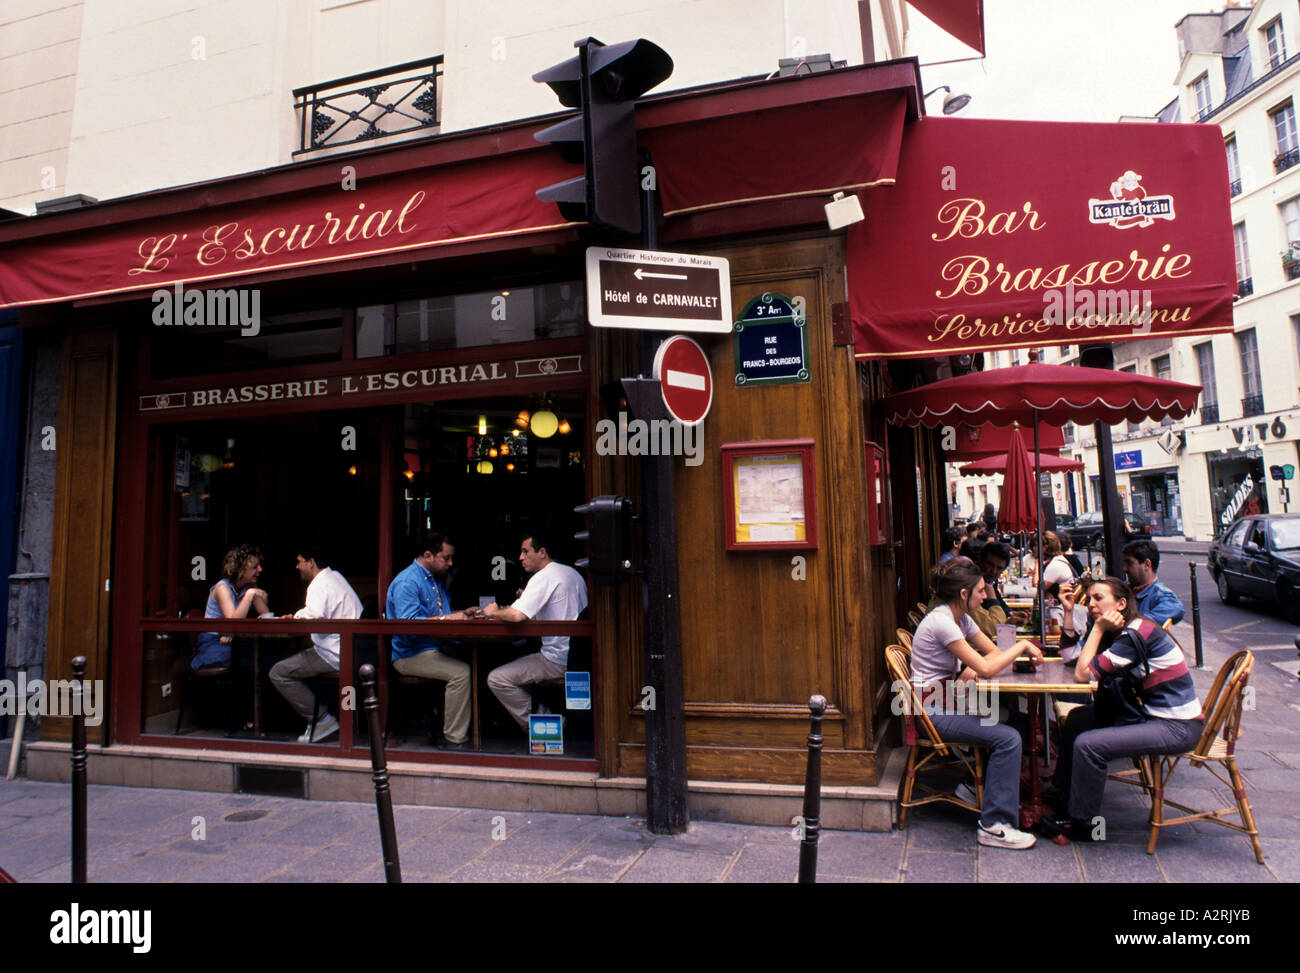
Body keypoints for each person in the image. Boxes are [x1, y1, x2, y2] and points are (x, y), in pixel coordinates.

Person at [1040, 577, 1203, 842]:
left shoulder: (1133, 633)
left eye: (1098, 598)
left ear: (1121, 603)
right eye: (1089, 598)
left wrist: (1097, 630)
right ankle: (1062, 791)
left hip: (1177, 727)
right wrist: (1069, 613)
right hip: (1152, 716)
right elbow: (1072, 659)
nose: (1091, 604)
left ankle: (1084, 824)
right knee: (1079, 719)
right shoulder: (1122, 629)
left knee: (1089, 744)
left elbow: (1082, 675)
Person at [910, 558, 1044, 850]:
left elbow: (992, 654)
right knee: (1008, 739)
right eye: (981, 591)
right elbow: (988, 666)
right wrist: (1019, 647)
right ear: (963, 594)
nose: (986, 596)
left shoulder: (961, 618)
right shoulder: (943, 623)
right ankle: (994, 825)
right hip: (933, 712)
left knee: (1017, 722)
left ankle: (975, 788)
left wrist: (978, 665)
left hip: (949, 700)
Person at [484, 534, 588, 732]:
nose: (520, 557)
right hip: (578, 657)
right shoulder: (572, 573)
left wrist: (494, 611)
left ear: (542, 552)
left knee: (497, 678)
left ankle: (547, 724)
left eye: (525, 551)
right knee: (523, 656)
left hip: (556, 660)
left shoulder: (543, 576)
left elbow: (516, 615)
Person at [386, 531, 475, 749]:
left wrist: (462, 612)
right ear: (428, 555)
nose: (451, 563)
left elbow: (439, 613)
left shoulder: (435, 578)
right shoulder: (407, 582)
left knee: (473, 664)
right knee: (461, 673)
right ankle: (454, 739)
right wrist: (450, 617)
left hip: (433, 648)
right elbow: (409, 625)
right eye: (446, 558)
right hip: (410, 654)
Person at [270, 546, 362, 744]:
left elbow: (313, 617)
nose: (297, 567)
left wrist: (293, 619)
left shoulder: (318, 584)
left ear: (311, 562)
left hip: (334, 654)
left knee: (278, 672)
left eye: (299, 561)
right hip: (352, 650)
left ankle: (322, 720)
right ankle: (331, 720)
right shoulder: (335, 577)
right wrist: (297, 616)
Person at [193, 543, 271, 670]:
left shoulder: (248, 587)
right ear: (240, 569)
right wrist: (250, 595)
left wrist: (253, 593)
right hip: (213, 641)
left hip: (233, 640)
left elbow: (266, 616)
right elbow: (233, 623)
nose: (260, 570)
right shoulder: (222, 588)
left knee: (260, 656)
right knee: (246, 659)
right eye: (255, 567)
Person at [1120, 539, 1185, 626]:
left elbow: (1177, 608)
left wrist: (1128, 622)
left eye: (1129, 563)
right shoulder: (1124, 587)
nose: (1124, 568)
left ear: (1147, 564)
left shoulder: (1161, 595)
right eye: (1124, 564)